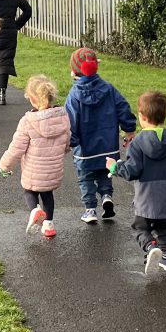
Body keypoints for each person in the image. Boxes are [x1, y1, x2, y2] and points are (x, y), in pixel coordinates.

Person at [107, 91, 166, 274]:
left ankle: (151, 247)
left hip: (146, 196)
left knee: (140, 226)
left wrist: (114, 167)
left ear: (142, 117)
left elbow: (131, 171)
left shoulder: (138, 143)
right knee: (163, 226)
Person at [65, 47, 136, 225]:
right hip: (108, 145)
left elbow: (71, 122)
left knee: (86, 177)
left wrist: (71, 142)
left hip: (85, 148)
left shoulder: (74, 96)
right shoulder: (109, 89)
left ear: (73, 71)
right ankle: (106, 196)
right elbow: (123, 107)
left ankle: (90, 210)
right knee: (105, 172)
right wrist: (129, 129)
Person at [0, 75, 71, 240]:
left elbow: (16, 148)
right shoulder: (63, 118)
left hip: (33, 170)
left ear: (32, 99)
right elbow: (68, 142)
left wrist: (5, 165)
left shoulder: (27, 121)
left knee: (29, 191)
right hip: (53, 169)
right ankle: (49, 225)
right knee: (48, 195)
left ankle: (34, 210)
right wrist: (60, 151)